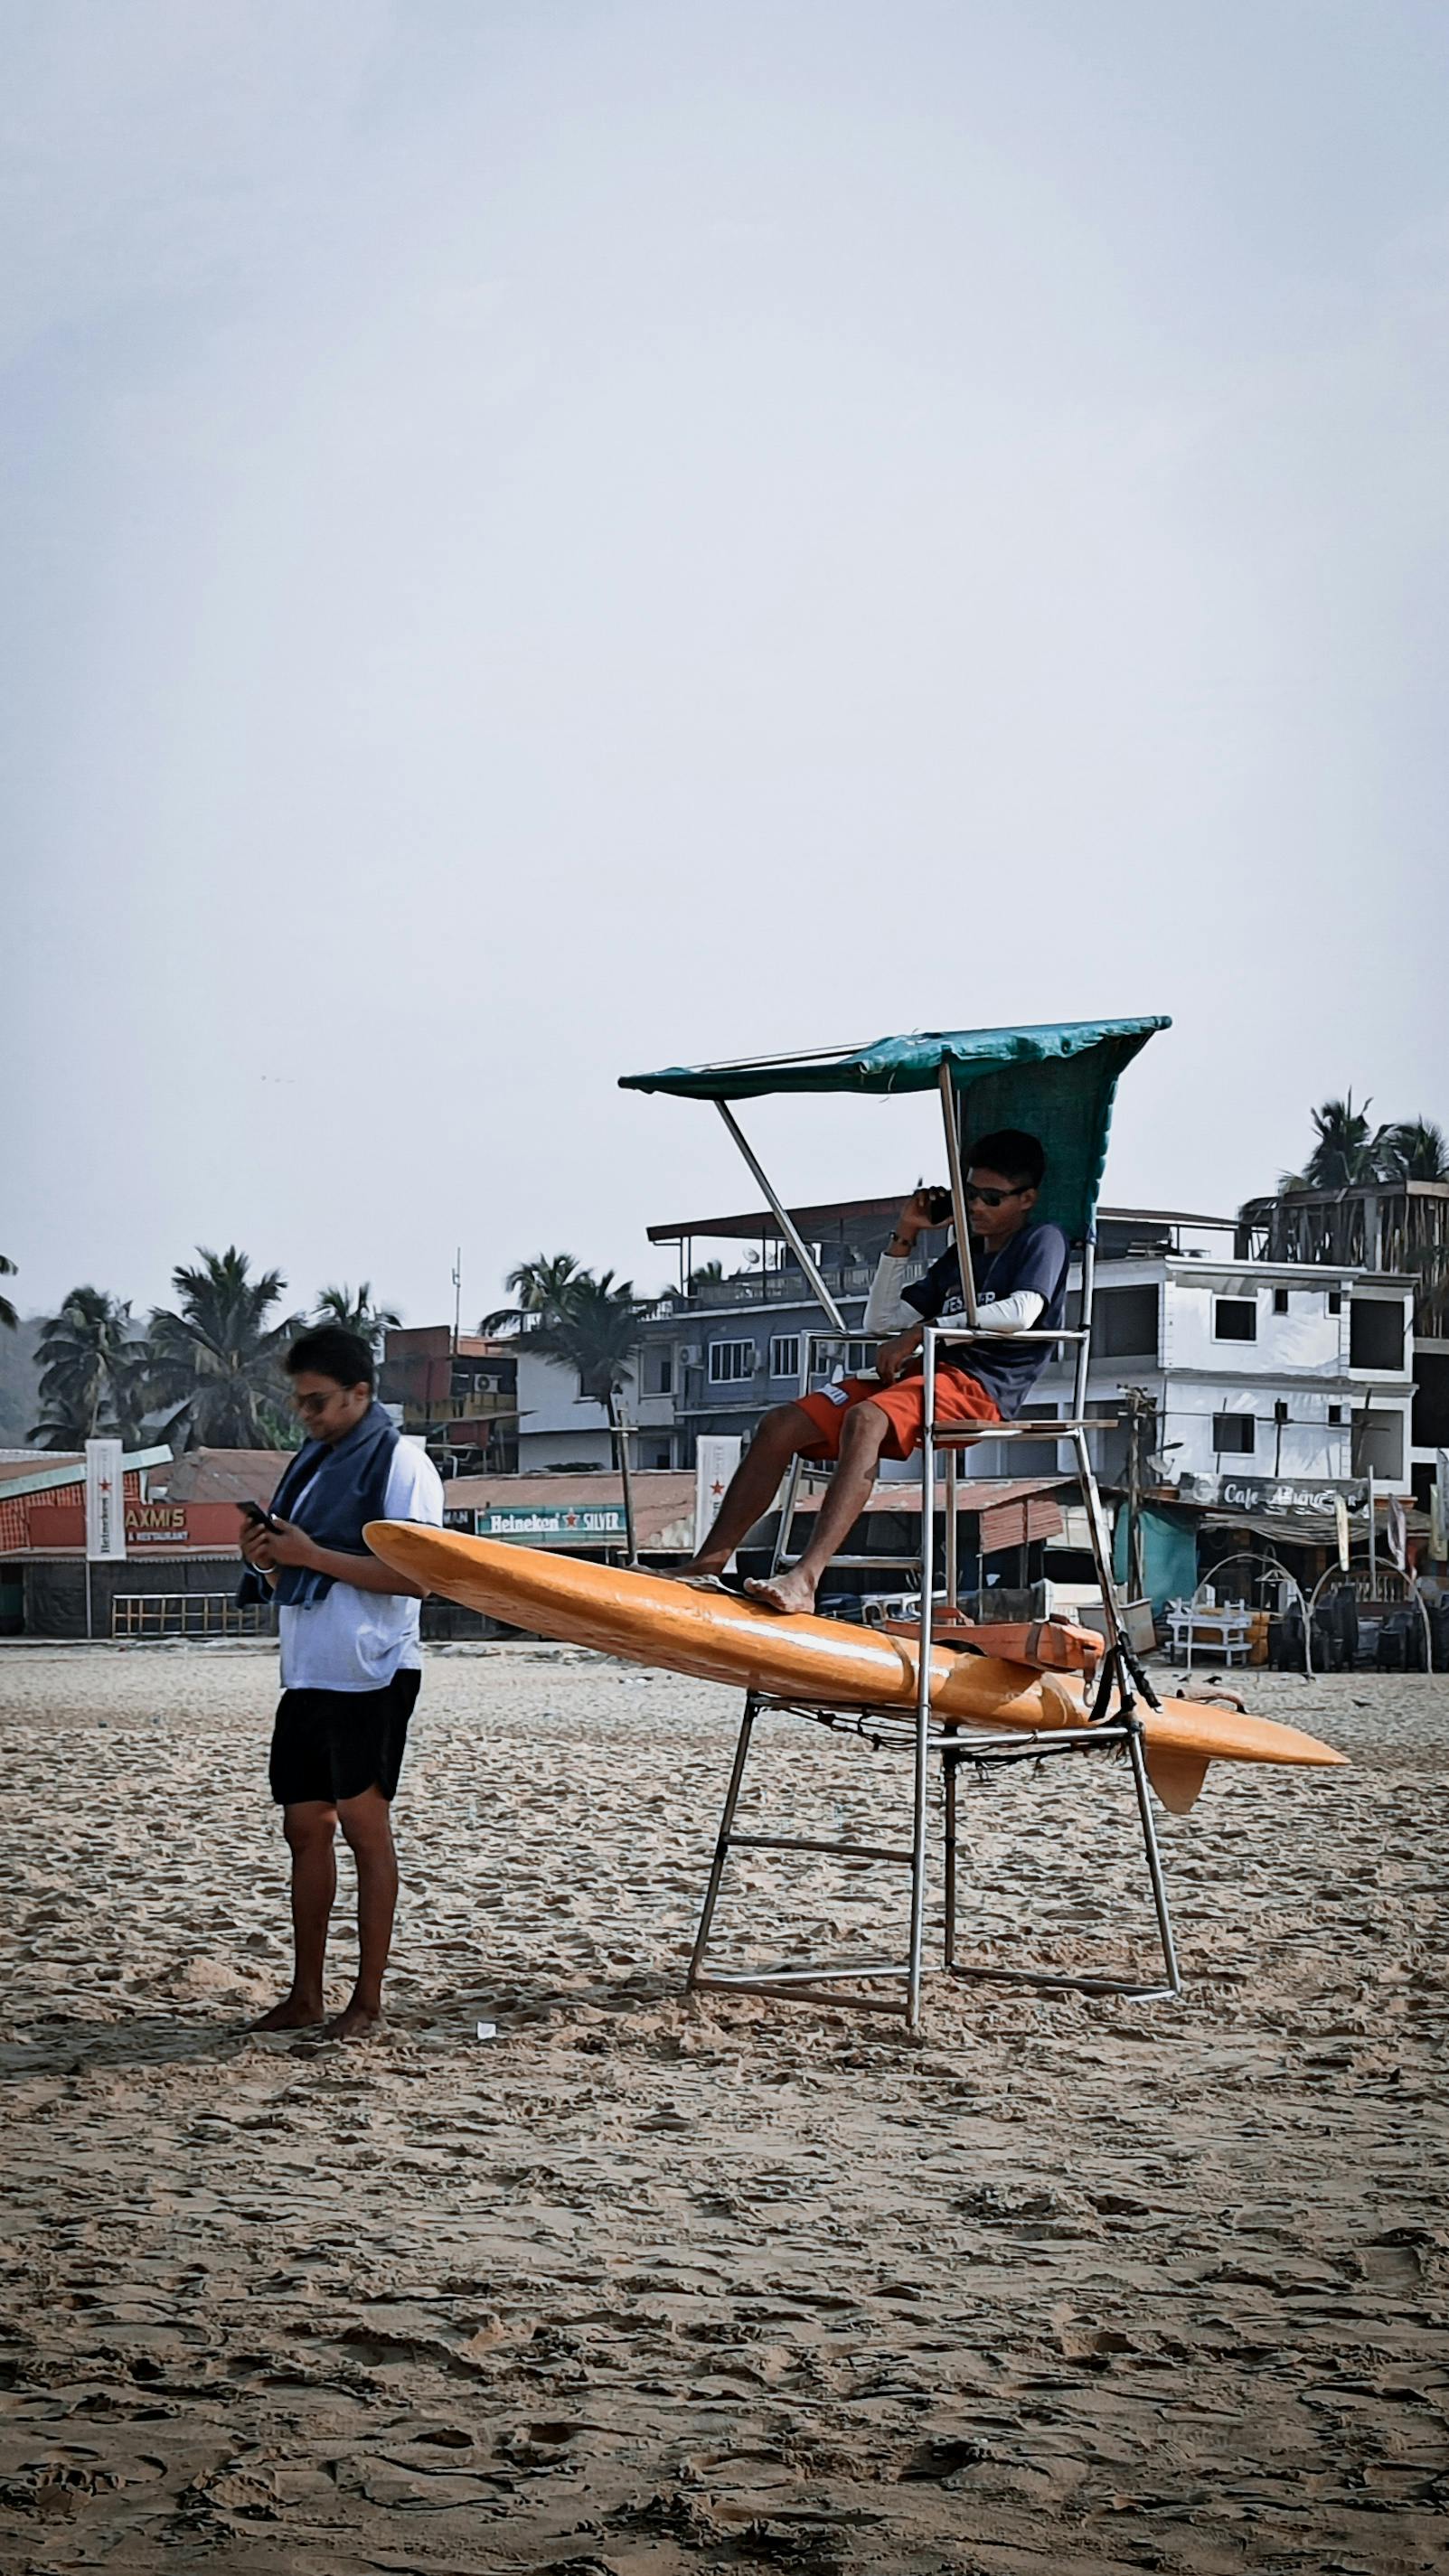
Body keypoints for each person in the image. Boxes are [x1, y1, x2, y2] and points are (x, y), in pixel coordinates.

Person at [682, 1130, 1069, 1614]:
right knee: (779, 1425)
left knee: (866, 1419)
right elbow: (882, 1322)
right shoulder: (961, 1256)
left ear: (1026, 1198)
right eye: (968, 1195)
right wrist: (905, 1234)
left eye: (991, 1198)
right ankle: (707, 1566)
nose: (976, 1207)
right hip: (919, 1376)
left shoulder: (1041, 1239)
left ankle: (805, 1577)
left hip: (978, 1388)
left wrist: (926, 1331)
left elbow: (1022, 1312)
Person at [239, 1325, 444, 2041]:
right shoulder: (313, 1461)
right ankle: (305, 1995)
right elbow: (296, 1567)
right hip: (308, 1668)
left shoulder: (402, 1464)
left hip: (372, 1667)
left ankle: (367, 2001)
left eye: (319, 1403)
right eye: (300, 1405)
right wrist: (269, 1558)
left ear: (362, 1392)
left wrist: (310, 1555)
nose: (309, 1417)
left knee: (364, 1828)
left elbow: (416, 1578)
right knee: (304, 1827)